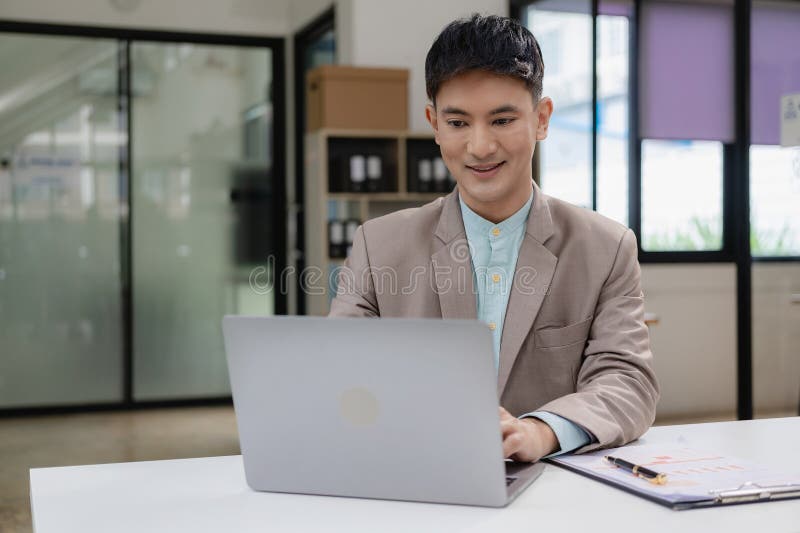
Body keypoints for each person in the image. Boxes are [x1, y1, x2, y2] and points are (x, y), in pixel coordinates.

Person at [329, 14, 659, 462]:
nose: (480, 146)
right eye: (459, 123)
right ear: (434, 123)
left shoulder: (606, 248)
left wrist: (540, 431)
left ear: (541, 119)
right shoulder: (378, 244)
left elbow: (627, 382)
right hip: (415, 474)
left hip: (553, 487)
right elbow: (340, 374)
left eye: (502, 120)